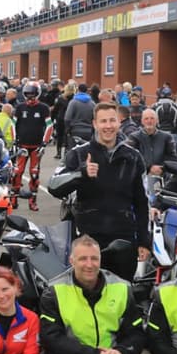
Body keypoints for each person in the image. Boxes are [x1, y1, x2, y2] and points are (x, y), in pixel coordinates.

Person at [47, 102, 152, 280]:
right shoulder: (78, 154)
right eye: (103, 121)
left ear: (119, 122)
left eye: (112, 120)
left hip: (124, 238)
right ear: (95, 123)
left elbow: (142, 203)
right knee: (87, 294)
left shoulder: (133, 157)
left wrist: (144, 240)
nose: (108, 126)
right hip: (88, 239)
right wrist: (81, 173)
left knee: (122, 294)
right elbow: (53, 186)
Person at [10, 82, 51, 211]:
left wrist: (44, 142)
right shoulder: (20, 107)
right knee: (17, 173)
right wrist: (14, 141)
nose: (30, 97)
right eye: (28, 95)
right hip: (22, 145)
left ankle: (32, 201)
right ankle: (14, 199)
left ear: (37, 94)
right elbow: (13, 124)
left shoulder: (44, 108)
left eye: (32, 95)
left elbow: (50, 126)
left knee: (34, 174)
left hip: (36, 147)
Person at [127, 107, 177, 177]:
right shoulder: (133, 137)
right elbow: (130, 158)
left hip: (162, 176)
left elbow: (173, 158)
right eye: (146, 118)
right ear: (142, 121)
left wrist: (162, 168)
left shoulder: (167, 137)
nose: (149, 121)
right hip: (140, 177)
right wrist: (149, 168)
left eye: (152, 118)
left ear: (157, 120)